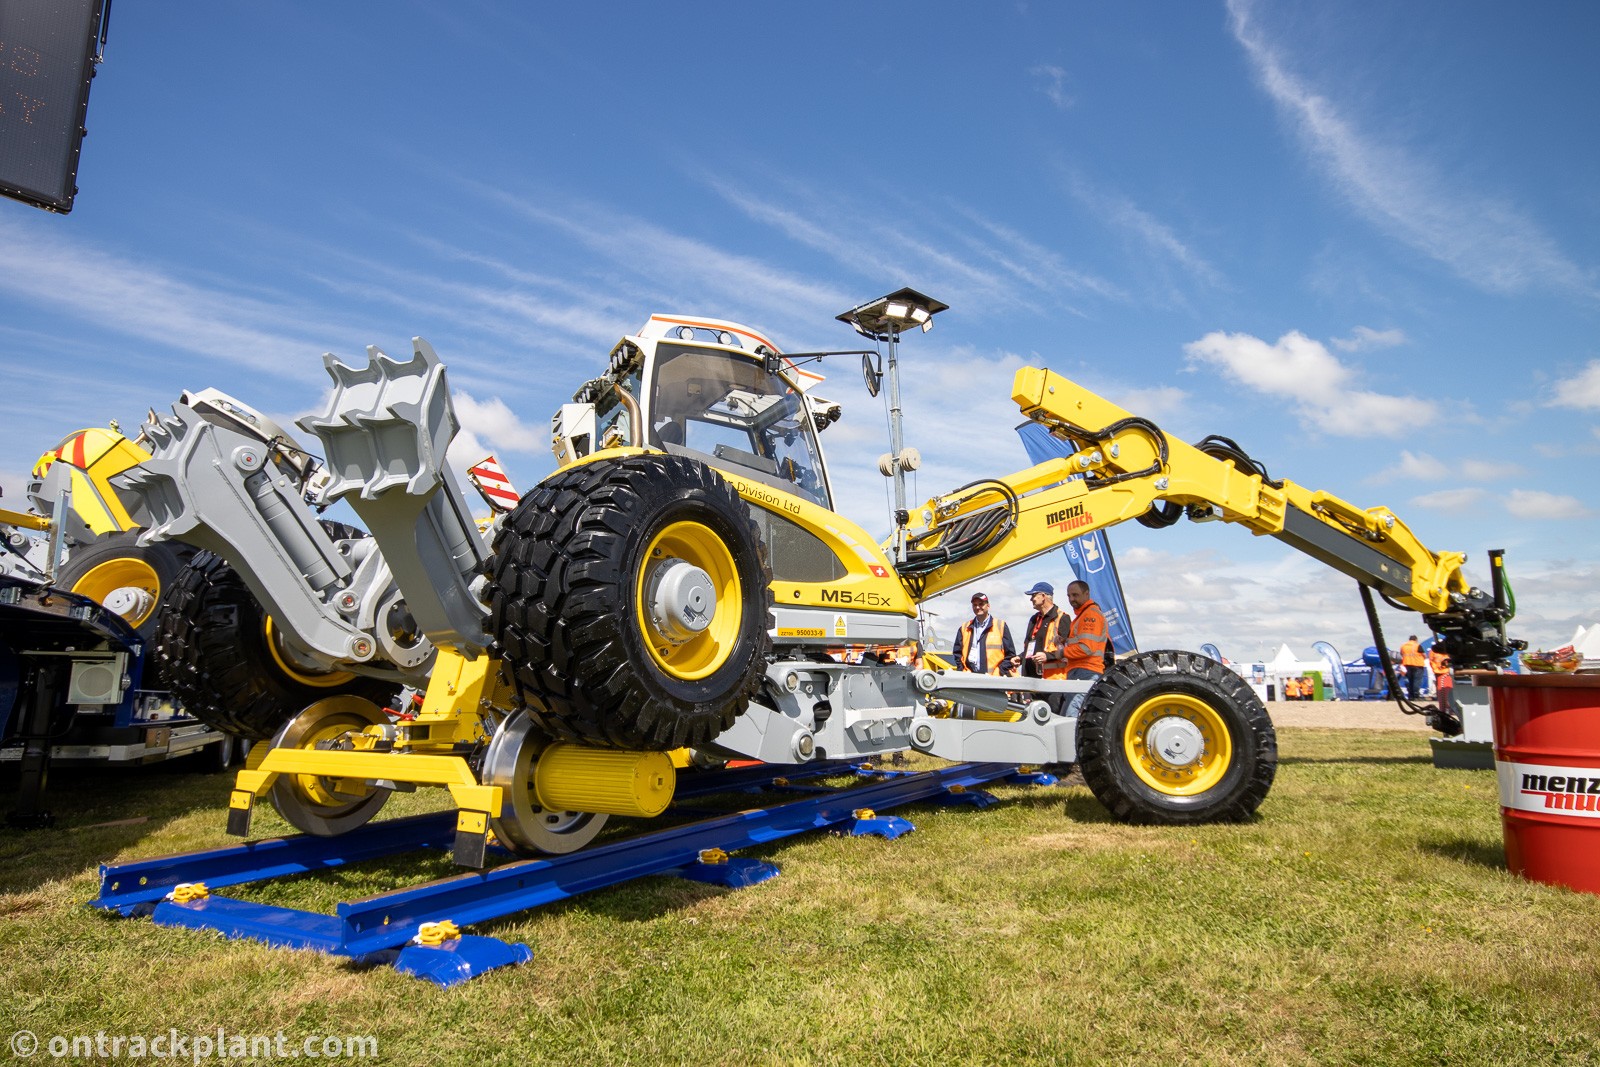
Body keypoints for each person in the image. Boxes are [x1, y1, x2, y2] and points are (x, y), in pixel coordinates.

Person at [1011, 582, 1068, 712]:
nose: (1031, 599)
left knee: (1054, 719)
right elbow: (1031, 646)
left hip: (1053, 683)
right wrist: (1020, 658)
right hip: (1033, 683)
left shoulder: (1062, 618)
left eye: (1033, 595)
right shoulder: (1034, 619)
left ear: (1043, 596)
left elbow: (1068, 650)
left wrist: (1047, 656)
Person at [1061, 580, 1108, 717]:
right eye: (1069, 596)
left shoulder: (1090, 615)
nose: (1071, 599)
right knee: (1068, 715)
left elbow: (1086, 648)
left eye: (1075, 595)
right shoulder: (1082, 616)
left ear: (1086, 593)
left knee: (1071, 714)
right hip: (1080, 672)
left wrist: (1060, 653)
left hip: (1087, 672)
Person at [952, 592, 1014, 676]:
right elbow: (957, 654)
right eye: (975, 605)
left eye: (981, 604)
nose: (977, 607)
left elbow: (1010, 655)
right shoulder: (964, 628)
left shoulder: (1000, 626)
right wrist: (962, 670)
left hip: (994, 679)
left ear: (988, 605)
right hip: (970, 679)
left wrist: (1000, 671)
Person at [1430, 645, 1458, 719]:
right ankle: (1446, 710)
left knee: (1445, 692)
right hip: (1443, 673)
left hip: (1445, 672)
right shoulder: (1435, 652)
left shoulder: (1435, 652)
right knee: (1444, 692)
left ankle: (1447, 709)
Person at [1400, 635, 1426, 700]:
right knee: (1417, 680)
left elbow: (1401, 654)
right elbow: (1424, 655)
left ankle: (1410, 695)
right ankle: (1416, 695)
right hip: (1417, 665)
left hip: (1407, 665)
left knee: (1410, 681)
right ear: (1416, 639)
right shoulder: (1417, 645)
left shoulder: (1403, 646)